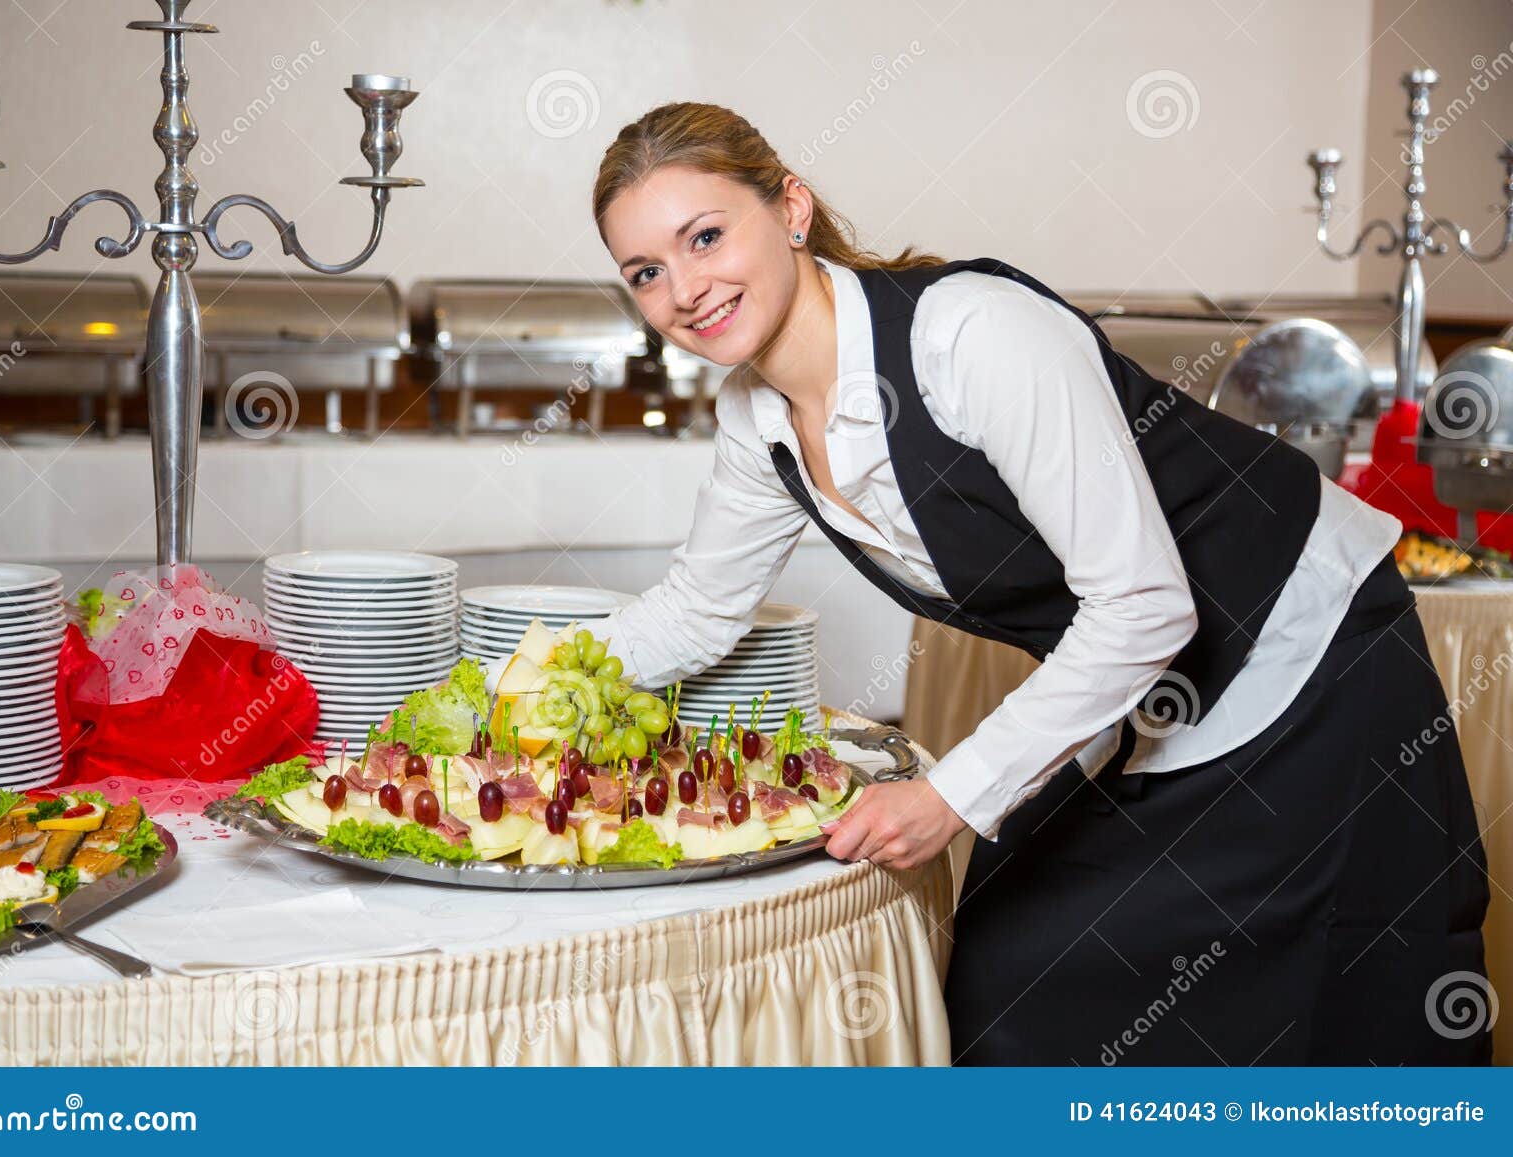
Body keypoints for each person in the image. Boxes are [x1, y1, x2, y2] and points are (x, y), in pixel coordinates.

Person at [584, 101, 1492, 1065]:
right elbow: (697, 609)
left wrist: (948, 797)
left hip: (1311, 657)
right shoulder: (754, 419)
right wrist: (529, 681)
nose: (685, 288)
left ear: (792, 209)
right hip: (1155, 692)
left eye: (706, 237)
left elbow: (1145, 605)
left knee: (1333, 1008)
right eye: (646, 271)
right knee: (1007, 976)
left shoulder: (968, 336)